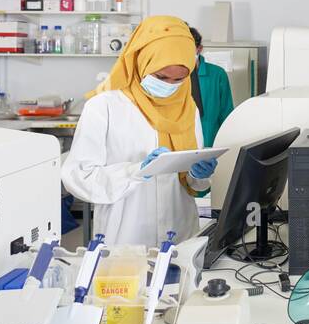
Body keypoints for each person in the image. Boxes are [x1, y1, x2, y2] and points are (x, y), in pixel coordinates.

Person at [61, 16, 219, 247]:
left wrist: (199, 175)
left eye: (179, 79)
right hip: (125, 238)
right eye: (161, 77)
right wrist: (136, 171)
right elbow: (79, 177)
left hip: (181, 233)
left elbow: (192, 185)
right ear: (142, 62)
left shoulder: (187, 107)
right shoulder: (104, 106)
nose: (169, 86)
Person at [187, 25, 234, 147]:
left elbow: (226, 114)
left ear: (199, 49)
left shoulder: (217, 75)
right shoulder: (171, 77)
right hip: (181, 145)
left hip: (211, 143)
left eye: (188, 48)